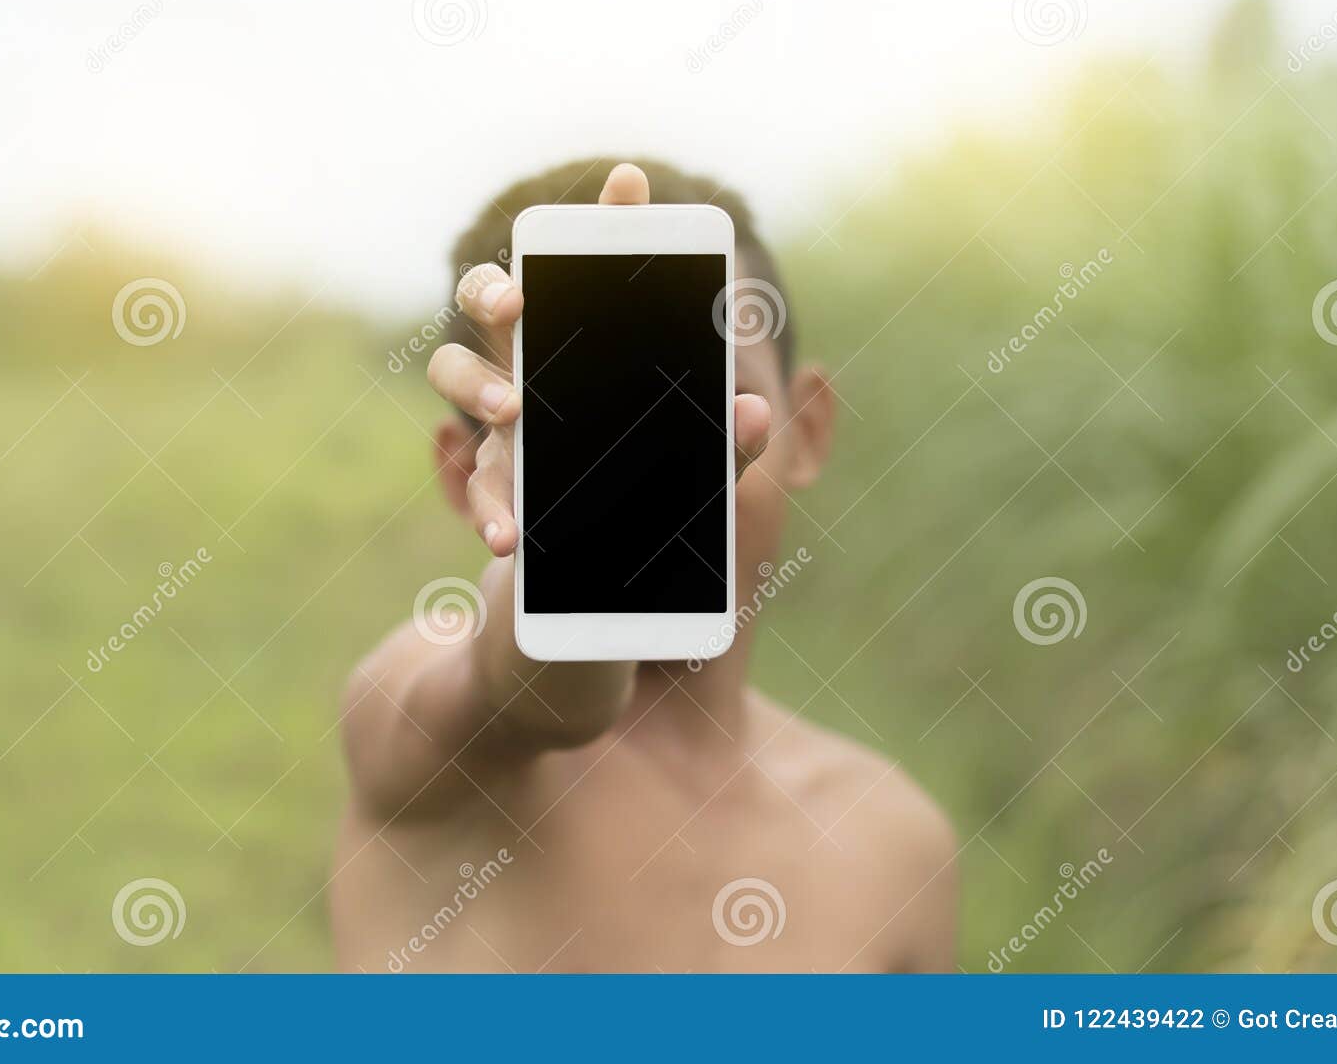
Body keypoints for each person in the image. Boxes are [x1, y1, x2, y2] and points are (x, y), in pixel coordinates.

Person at [330, 159, 957, 972]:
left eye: (693, 405)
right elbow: (542, 697)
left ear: (806, 427)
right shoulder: (427, 740)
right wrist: (580, 532)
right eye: (580, 422)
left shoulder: (898, 845)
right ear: (467, 473)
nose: (643, 464)